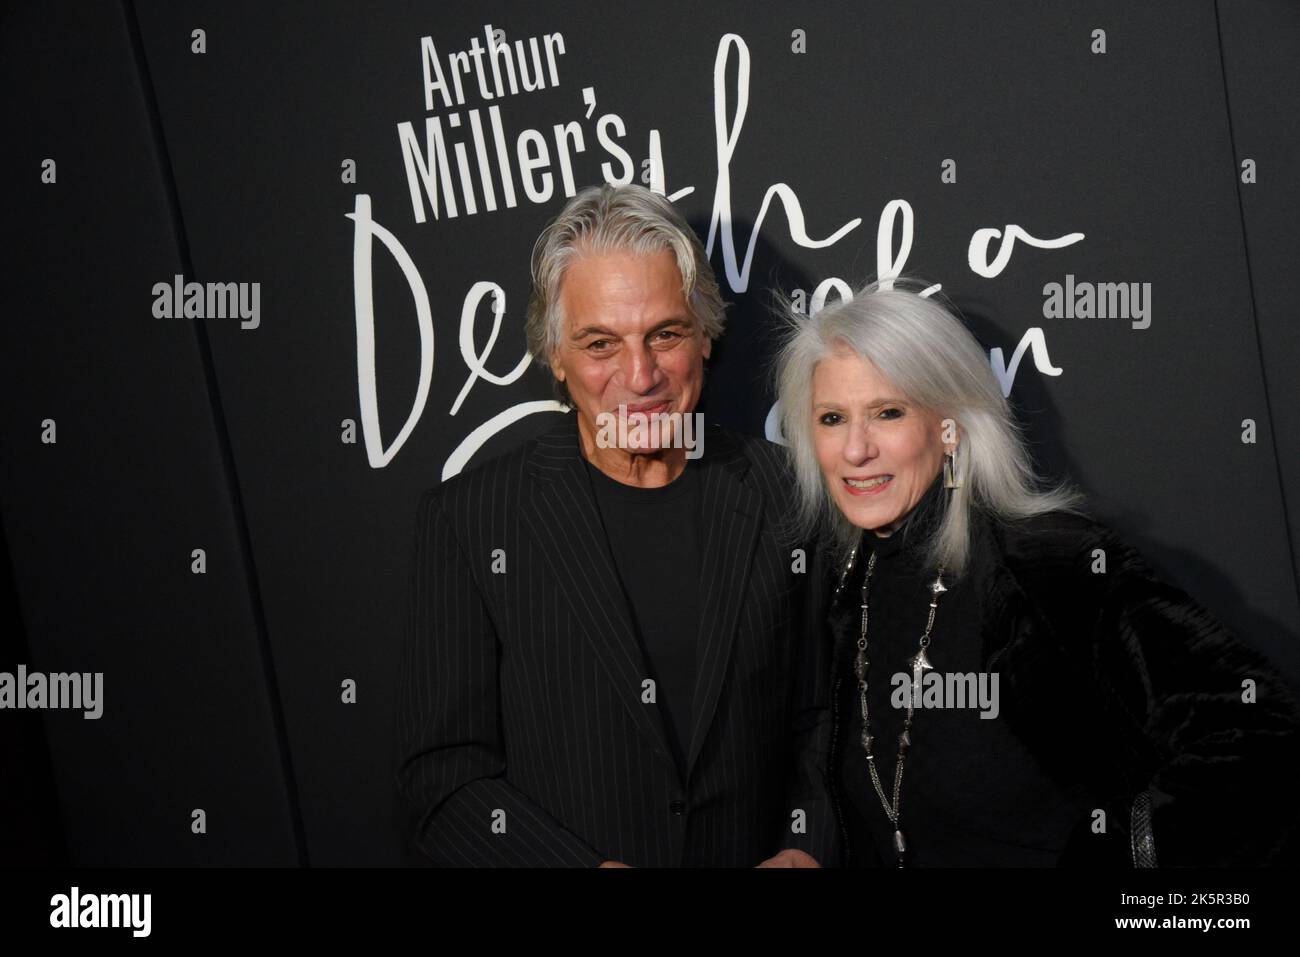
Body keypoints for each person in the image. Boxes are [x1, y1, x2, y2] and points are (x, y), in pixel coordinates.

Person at [772, 277, 1300, 867]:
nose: (856, 450)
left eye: (887, 412)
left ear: (949, 428)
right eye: (832, 419)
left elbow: (1261, 735)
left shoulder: (1051, 565)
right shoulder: (844, 585)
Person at [394, 183, 836, 867]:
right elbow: (445, 780)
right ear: (556, 358)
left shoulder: (788, 491)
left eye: (665, 333)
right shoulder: (471, 522)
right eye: (601, 343)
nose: (640, 374)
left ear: (706, 336)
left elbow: (821, 721)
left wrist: (807, 845)